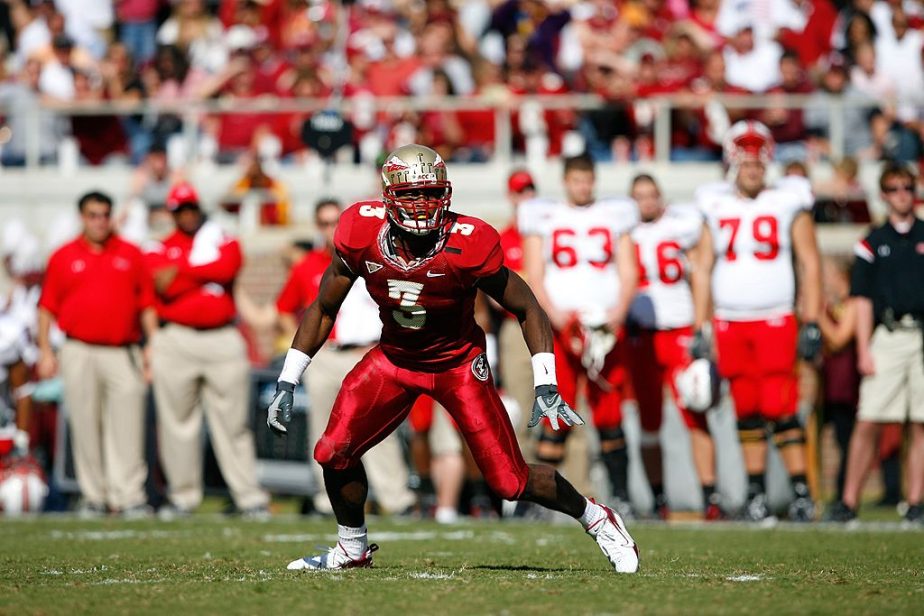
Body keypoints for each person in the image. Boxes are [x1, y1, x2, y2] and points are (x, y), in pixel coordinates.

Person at [266, 144, 639, 573]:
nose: (422, 204)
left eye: (431, 192)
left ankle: (597, 517)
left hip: (457, 365)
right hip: (395, 359)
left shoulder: (469, 242)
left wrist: (546, 381)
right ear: (388, 195)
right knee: (333, 451)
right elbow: (324, 308)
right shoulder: (358, 231)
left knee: (510, 481)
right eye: (411, 194)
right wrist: (288, 378)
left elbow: (528, 307)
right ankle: (352, 548)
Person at [693, 120, 822, 522]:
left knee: (780, 404)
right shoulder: (714, 202)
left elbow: (810, 261)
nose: (752, 170)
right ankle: (756, 492)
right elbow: (702, 266)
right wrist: (702, 324)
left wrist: (813, 317)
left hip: (776, 316)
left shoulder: (788, 200)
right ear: (733, 163)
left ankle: (801, 491)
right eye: (745, 163)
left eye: (758, 164)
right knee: (746, 407)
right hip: (731, 321)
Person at [275, 198, 414, 516]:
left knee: (377, 425)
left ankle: (396, 498)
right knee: (324, 428)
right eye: (323, 223)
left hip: (367, 352)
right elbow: (284, 309)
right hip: (327, 355)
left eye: (334, 222)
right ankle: (327, 500)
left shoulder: (373, 257)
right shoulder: (308, 265)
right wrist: (305, 345)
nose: (330, 229)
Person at [520, 154, 639, 516]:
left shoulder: (615, 215)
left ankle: (621, 495)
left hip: (605, 330)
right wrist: (561, 321)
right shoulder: (544, 216)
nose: (583, 186)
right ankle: (539, 501)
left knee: (610, 414)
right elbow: (533, 275)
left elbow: (629, 271)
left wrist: (615, 319)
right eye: (577, 180)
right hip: (562, 328)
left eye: (588, 179)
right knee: (555, 412)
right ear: (565, 181)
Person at [147, 182, 268, 518]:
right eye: (180, 210)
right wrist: (200, 275)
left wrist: (184, 272)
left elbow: (228, 267)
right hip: (176, 338)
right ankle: (183, 496)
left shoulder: (219, 237)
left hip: (221, 337)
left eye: (191, 208)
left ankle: (248, 497)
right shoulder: (160, 246)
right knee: (177, 423)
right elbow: (160, 285)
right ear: (172, 213)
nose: (187, 215)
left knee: (233, 422)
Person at [36, 191, 157, 517]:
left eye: (104, 214)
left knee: (128, 426)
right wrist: (46, 351)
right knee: (85, 425)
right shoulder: (63, 256)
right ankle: (94, 495)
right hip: (79, 349)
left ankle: (129, 495)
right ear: (82, 217)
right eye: (93, 215)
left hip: (123, 350)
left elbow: (146, 305)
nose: (99, 221)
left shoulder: (131, 254)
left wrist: (152, 349)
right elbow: (46, 308)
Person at [829, 163, 924, 524]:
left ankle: (915, 501)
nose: (902, 194)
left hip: (921, 335)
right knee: (868, 419)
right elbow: (862, 300)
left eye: (907, 187)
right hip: (888, 334)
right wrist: (864, 349)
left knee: (919, 423)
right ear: (883, 195)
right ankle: (848, 501)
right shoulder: (872, 242)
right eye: (894, 188)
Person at [625, 174, 723, 521]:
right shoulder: (624, 231)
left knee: (695, 412)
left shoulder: (682, 225)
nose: (646, 202)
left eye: (652, 195)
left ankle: (711, 497)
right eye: (639, 196)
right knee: (649, 419)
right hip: (641, 336)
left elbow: (702, 271)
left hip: (679, 330)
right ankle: (657, 499)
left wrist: (701, 326)